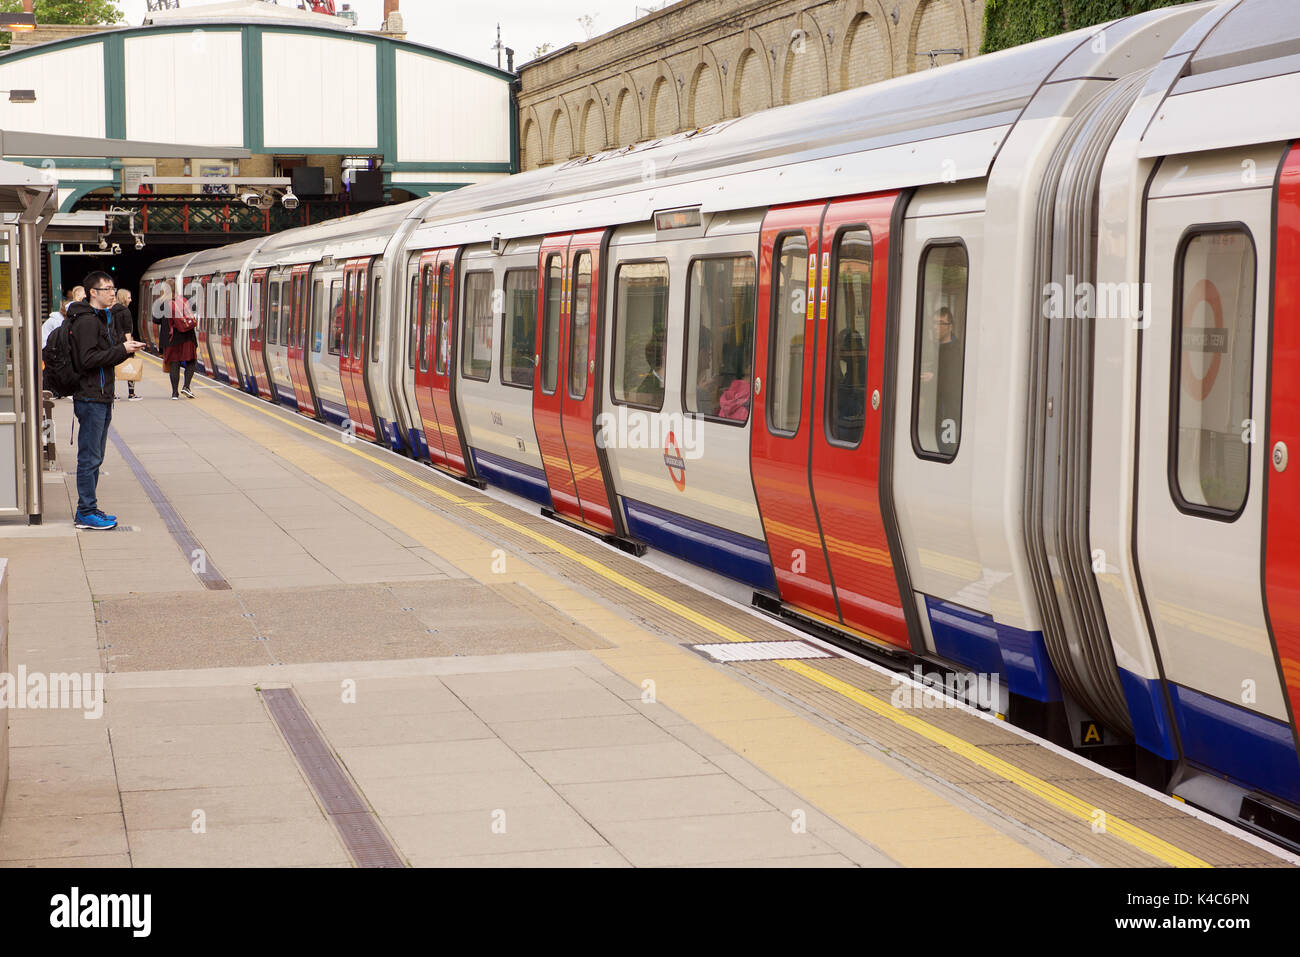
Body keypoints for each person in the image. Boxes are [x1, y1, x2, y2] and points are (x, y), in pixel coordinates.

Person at [68, 271, 145, 530]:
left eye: (114, 288)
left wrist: (124, 350)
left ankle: (89, 508)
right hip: (91, 397)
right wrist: (122, 350)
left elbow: (105, 357)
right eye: (107, 288)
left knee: (96, 456)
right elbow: (88, 360)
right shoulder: (88, 322)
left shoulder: (101, 318)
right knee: (90, 457)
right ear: (93, 293)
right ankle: (85, 512)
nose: (113, 292)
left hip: (101, 395)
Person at [164, 293, 199, 399]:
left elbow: (156, 320)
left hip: (174, 337)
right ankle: (186, 386)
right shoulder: (185, 299)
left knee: (175, 363)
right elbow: (194, 310)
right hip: (188, 336)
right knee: (191, 361)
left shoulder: (163, 304)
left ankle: (174, 393)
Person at [112, 288, 141, 401]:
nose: (131, 300)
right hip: (124, 342)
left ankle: (112, 394)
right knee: (130, 366)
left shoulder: (112, 310)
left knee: (113, 368)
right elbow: (127, 330)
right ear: (124, 298)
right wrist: (130, 344)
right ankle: (131, 394)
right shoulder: (126, 311)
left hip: (114, 342)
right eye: (129, 297)